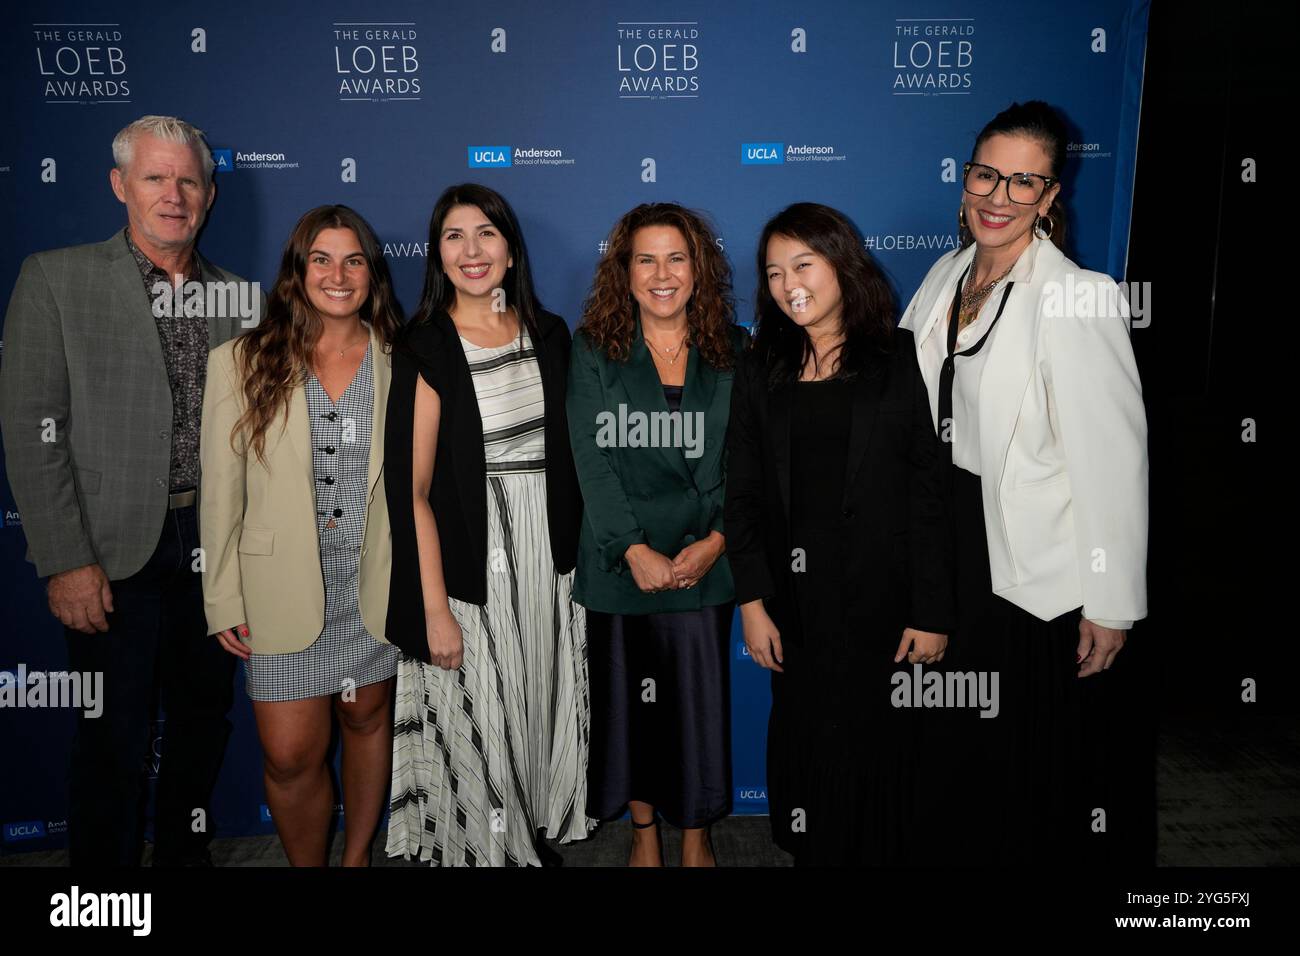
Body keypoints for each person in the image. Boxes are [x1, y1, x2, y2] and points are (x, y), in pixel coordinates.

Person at [0, 115, 256, 867]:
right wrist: (64, 558)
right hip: (109, 553)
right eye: (155, 178)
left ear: (208, 194)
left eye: (187, 181)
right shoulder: (57, 279)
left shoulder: (240, 298)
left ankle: (185, 860)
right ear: (120, 186)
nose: (173, 195)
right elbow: (30, 427)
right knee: (112, 738)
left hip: (211, 550)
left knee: (205, 725)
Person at [899, 100, 1149, 864]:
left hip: (1029, 570)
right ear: (964, 177)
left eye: (1022, 182)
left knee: (1022, 763)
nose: (997, 197)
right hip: (949, 549)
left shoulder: (1078, 294)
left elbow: (1113, 460)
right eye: (986, 175)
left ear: (1048, 198)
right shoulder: (946, 273)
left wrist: (1112, 605)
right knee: (954, 754)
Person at [723, 202, 953, 866]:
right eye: (773, 271)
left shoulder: (903, 357)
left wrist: (932, 611)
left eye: (804, 263)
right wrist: (751, 602)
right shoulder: (760, 365)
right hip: (795, 605)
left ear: (842, 265)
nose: (788, 282)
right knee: (807, 744)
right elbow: (741, 491)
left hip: (885, 601)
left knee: (881, 757)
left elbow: (930, 491)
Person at [384, 183, 591, 867]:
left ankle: (525, 838)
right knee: (479, 714)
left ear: (509, 248)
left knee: (534, 702)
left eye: (486, 234)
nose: (471, 251)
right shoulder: (425, 346)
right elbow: (411, 490)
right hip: (473, 562)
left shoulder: (551, 333)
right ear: (437, 253)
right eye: (453, 236)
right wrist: (434, 609)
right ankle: (483, 849)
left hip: (550, 559)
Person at [200, 204, 401, 866]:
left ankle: (358, 857)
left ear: (372, 272)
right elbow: (222, 490)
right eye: (321, 259)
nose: (338, 275)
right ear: (297, 269)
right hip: (279, 589)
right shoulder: (242, 360)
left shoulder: (403, 361)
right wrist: (223, 598)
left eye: (353, 260)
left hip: (372, 584)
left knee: (367, 722)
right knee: (289, 758)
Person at [568, 202, 747, 867]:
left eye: (678, 258)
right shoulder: (593, 349)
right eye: (646, 259)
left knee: (698, 714)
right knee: (630, 711)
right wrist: (633, 549)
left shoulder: (735, 347)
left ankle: (697, 838)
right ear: (624, 269)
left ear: (699, 269)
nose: (663, 273)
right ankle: (645, 837)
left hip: (705, 561)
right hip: (624, 565)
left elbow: (746, 460)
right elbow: (592, 457)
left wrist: (719, 539)